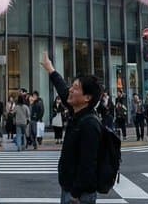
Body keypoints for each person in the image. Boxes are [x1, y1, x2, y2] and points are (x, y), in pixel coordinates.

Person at [41, 53, 104, 204]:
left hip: (79, 194)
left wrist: (75, 194)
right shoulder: (78, 113)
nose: (70, 90)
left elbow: (88, 164)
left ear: (87, 98)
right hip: (70, 188)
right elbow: (63, 91)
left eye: (75, 88)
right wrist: (50, 69)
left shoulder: (89, 124)